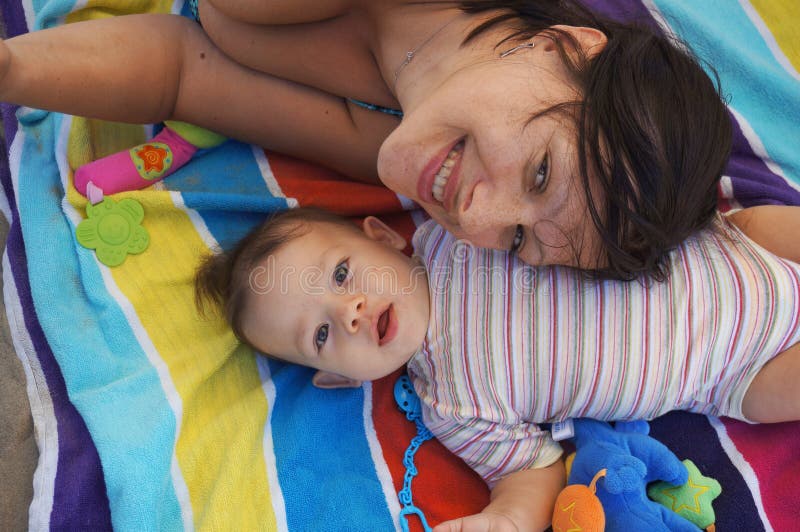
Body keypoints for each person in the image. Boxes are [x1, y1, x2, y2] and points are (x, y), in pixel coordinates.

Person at [0, 0, 733, 278]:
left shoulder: (395, 141)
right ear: (564, 47)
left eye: (515, 242)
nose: (475, 222)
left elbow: (180, 74)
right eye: (540, 175)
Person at [194, 205, 800, 531]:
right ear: (340, 379)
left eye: (342, 273)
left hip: (733, 243)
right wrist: (504, 521)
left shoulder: (462, 232)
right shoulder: (455, 408)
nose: (349, 310)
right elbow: (530, 471)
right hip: (740, 371)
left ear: (383, 235)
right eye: (321, 333)